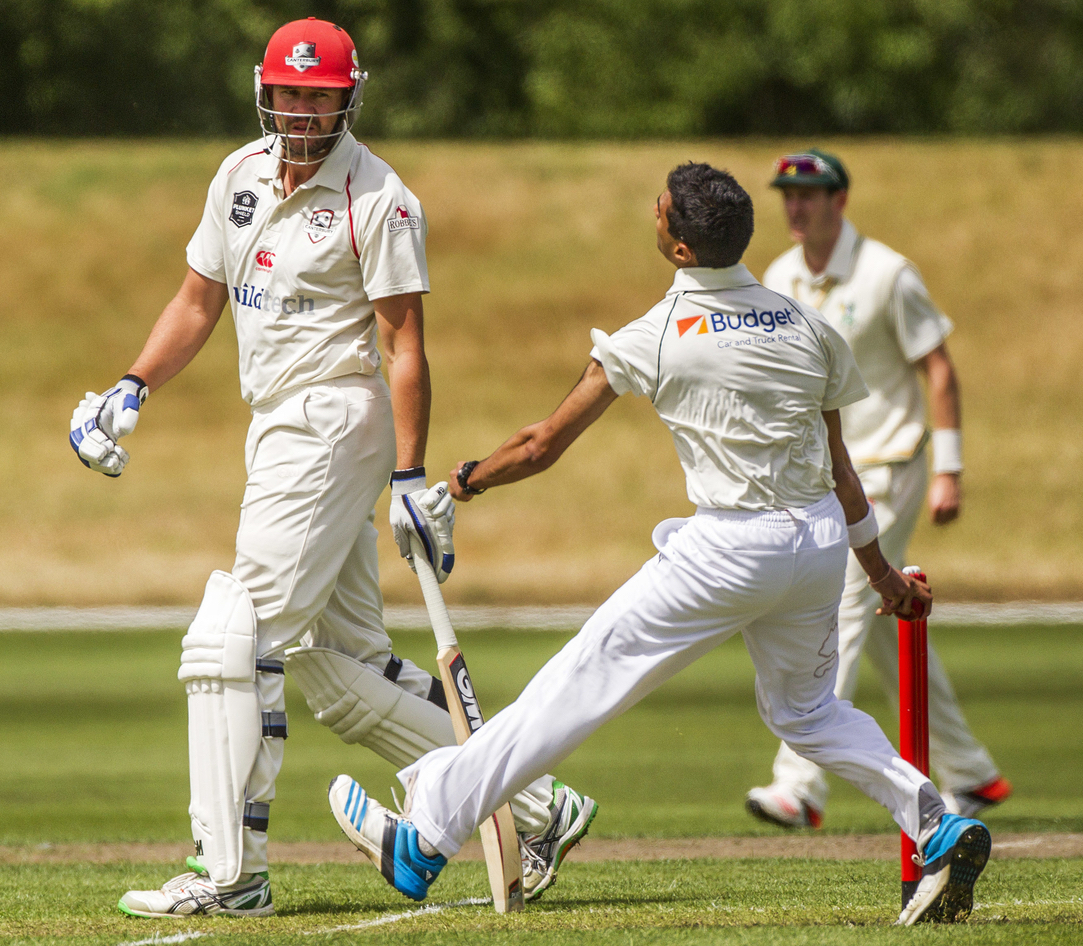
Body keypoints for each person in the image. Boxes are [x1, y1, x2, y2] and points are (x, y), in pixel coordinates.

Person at [324, 163, 991, 925]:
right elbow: (841, 474)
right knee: (807, 713)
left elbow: (540, 445)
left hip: (727, 549)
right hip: (815, 547)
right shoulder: (807, 326)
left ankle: (424, 836)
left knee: (573, 687)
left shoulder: (657, 333)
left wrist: (461, 483)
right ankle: (935, 823)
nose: (653, 210)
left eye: (659, 209)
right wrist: (881, 577)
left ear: (678, 248)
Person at [69, 17, 594, 918]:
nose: (302, 112)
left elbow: (403, 347)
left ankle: (231, 874)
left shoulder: (379, 197)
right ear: (264, 91)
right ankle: (539, 806)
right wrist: (133, 384)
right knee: (340, 667)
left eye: (319, 97)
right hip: (276, 422)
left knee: (233, 639)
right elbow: (197, 301)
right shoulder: (238, 175)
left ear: (348, 99)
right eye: (289, 93)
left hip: (334, 420)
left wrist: (408, 478)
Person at [745, 149, 1010, 831]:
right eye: (787, 195)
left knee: (840, 602)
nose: (796, 206)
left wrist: (949, 469)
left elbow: (938, 369)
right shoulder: (778, 276)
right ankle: (972, 772)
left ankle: (799, 785)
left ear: (839, 199)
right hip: (826, 474)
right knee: (889, 613)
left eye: (810, 194)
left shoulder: (887, 272)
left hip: (890, 462)